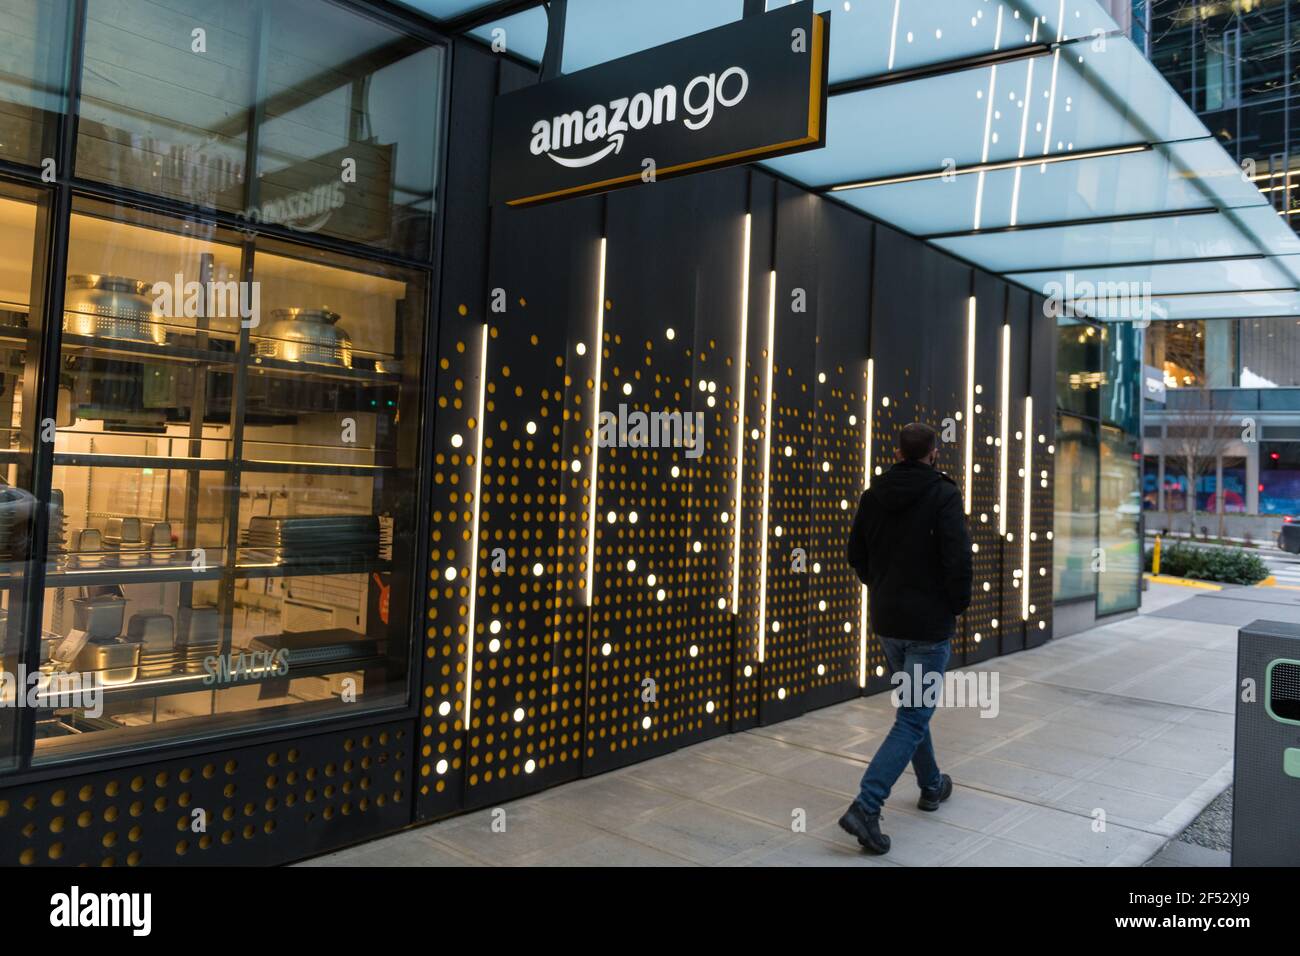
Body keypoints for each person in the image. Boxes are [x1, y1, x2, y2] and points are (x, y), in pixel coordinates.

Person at [838, 421, 973, 854]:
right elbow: (957, 558)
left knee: (912, 710)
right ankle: (867, 805)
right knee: (914, 715)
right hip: (927, 627)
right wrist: (956, 604)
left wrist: (879, 588)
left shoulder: (873, 494)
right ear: (934, 453)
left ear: (898, 452)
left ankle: (932, 785)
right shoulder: (944, 494)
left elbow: (855, 553)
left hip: (888, 623)